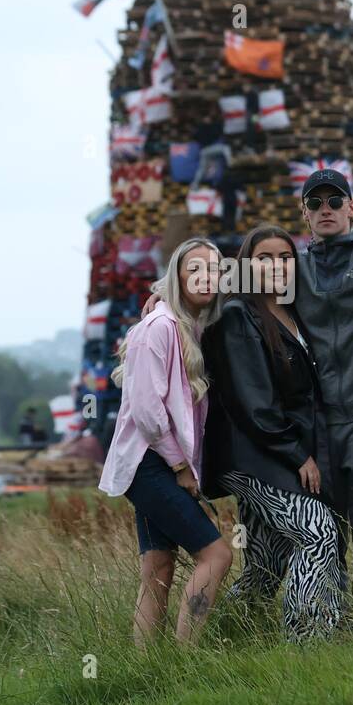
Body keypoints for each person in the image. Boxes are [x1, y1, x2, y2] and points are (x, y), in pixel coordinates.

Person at [146, 170, 353, 614]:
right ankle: (332, 623)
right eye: (315, 203)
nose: (325, 210)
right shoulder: (292, 267)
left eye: (335, 201)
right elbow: (212, 279)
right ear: (303, 212)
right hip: (318, 425)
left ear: (351, 207)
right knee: (329, 534)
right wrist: (163, 299)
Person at [202, 225, 341, 639]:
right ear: (247, 264)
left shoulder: (293, 311)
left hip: (277, 447)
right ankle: (307, 642)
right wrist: (298, 455)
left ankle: (224, 635)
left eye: (285, 258)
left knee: (267, 563)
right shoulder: (236, 315)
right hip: (252, 452)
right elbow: (252, 402)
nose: (277, 266)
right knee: (317, 533)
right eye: (265, 258)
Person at [99, 237, 232, 646]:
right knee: (216, 555)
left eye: (212, 269)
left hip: (158, 460)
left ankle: (146, 667)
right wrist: (179, 466)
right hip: (150, 461)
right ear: (176, 276)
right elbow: (146, 409)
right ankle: (187, 656)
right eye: (194, 269)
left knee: (157, 566)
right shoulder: (158, 328)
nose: (204, 276)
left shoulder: (188, 324)